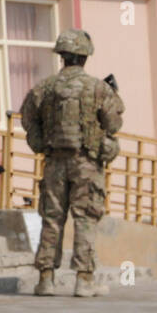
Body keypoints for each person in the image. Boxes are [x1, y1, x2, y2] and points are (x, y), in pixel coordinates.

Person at [19, 28, 124, 298]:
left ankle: (45, 280)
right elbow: (113, 124)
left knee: (52, 219)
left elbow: (28, 119)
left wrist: (40, 143)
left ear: (62, 57)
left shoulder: (45, 87)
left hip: (54, 162)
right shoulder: (98, 88)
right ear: (85, 57)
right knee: (85, 218)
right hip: (86, 162)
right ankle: (84, 280)